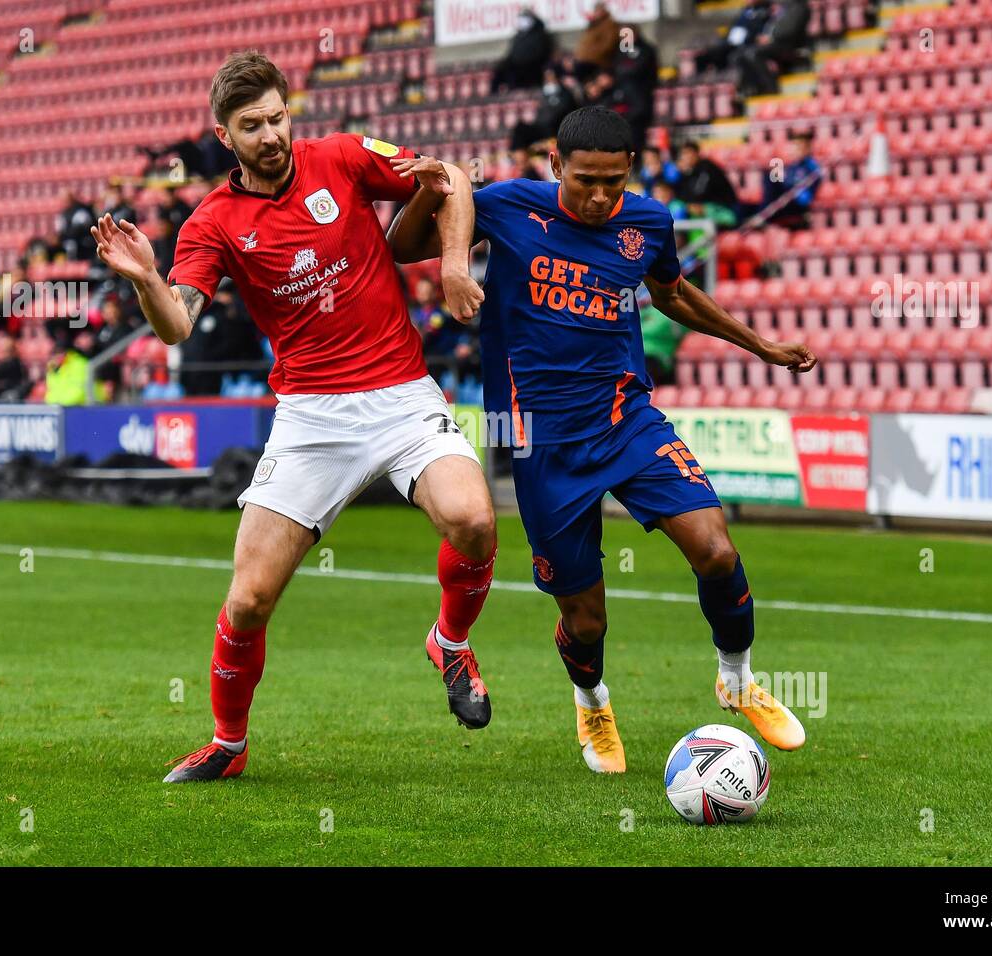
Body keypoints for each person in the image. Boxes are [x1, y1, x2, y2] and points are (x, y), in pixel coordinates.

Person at [91, 51, 499, 783]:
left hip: (403, 393)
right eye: (252, 126)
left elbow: (448, 178)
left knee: (473, 519)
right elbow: (176, 327)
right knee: (248, 599)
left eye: (278, 118)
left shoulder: (341, 158)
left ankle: (451, 641)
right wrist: (149, 280)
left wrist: (454, 264)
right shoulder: (212, 223)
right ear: (225, 135)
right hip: (311, 417)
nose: (271, 135)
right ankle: (228, 742)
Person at [389, 107, 816, 773]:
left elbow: (671, 295)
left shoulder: (646, 223)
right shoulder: (506, 206)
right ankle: (592, 701)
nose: (598, 197)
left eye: (612, 184)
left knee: (717, 552)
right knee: (585, 620)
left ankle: (736, 681)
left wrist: (759, 344)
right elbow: (401, 245)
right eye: (585, 180)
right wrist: (437, 210)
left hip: (626, 419)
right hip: (541, 443)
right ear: (557, 165)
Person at [735, 0, 812, 97]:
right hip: (776, 43)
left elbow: (789, 31)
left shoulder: (798, 7)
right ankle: (753, 88)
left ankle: (771, 88)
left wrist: (771, 38)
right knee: (741, 54)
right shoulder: (781, 7)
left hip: (789, 45)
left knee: (753, 53)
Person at [759, 131, 822, 230]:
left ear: (808, 147)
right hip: (786, 200)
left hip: (797, 204)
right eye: (795, 145)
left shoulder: (810, 166)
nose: (797, 148)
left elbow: (804, 195)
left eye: (800, 145)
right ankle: (764, 213)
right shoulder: (792, 166)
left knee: (771, 179)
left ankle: (764, 215)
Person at [694, 0, 772, 74]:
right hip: (730, 42)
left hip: (745, 43)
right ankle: (698, 83)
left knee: (728, 55)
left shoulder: (765, 11)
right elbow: (734, 29)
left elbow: (761, 32)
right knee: (702, 56)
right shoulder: (745, 11)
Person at [490, 7, 555, 94]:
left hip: (533, 67)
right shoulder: (518, 36)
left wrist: (522, 60)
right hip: (517, 66)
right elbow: (511, 54)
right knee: (500, 70)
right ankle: (494, 96)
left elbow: (540, 54)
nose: (522, 21)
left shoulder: (540, 35)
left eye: (525, 18)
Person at [675, 141, 740, 226]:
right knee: (677, 207)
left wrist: (686, 174)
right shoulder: (690, 172)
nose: (685, 157)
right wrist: (683, 174)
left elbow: (699, 193)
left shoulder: (707, 167)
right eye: (683, 154)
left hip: (725, 209)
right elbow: (681, 196)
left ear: (696, 153)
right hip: (707, 207)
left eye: (687, 153)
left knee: (695, 209)